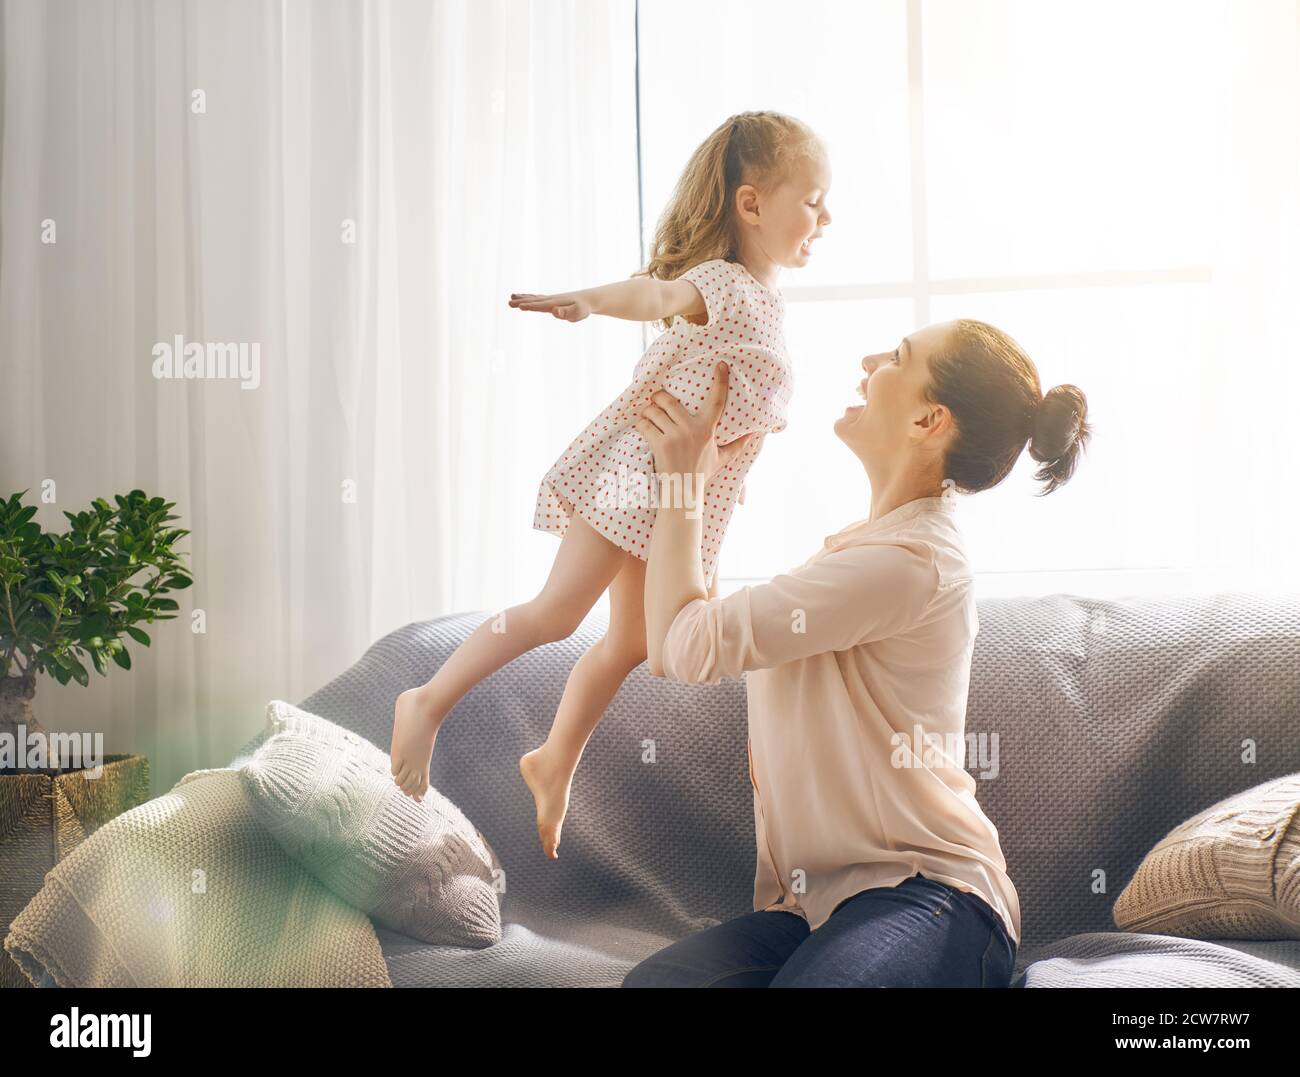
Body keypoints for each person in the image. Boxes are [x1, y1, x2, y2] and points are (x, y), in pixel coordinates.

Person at [389, 112, 832, 861]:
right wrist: (590, 301)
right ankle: (425, 701)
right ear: (752, 205)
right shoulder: (725, 285)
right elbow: (655, 296)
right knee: (556, 613)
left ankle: (554, 758)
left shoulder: (767, 300)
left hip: (689, 495)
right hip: (641, 474)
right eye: (815, 200)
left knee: (635, 641)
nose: (827, 218)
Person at [623, 320, 1091, 987]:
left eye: (897, 357)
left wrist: (681, 486)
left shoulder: (909, 563)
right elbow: (695, 628)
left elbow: (684, 645)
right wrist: (706, 480)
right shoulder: (858, 551)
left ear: (931, 419)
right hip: (812, 910)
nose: (871, 360)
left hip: (933, 896)